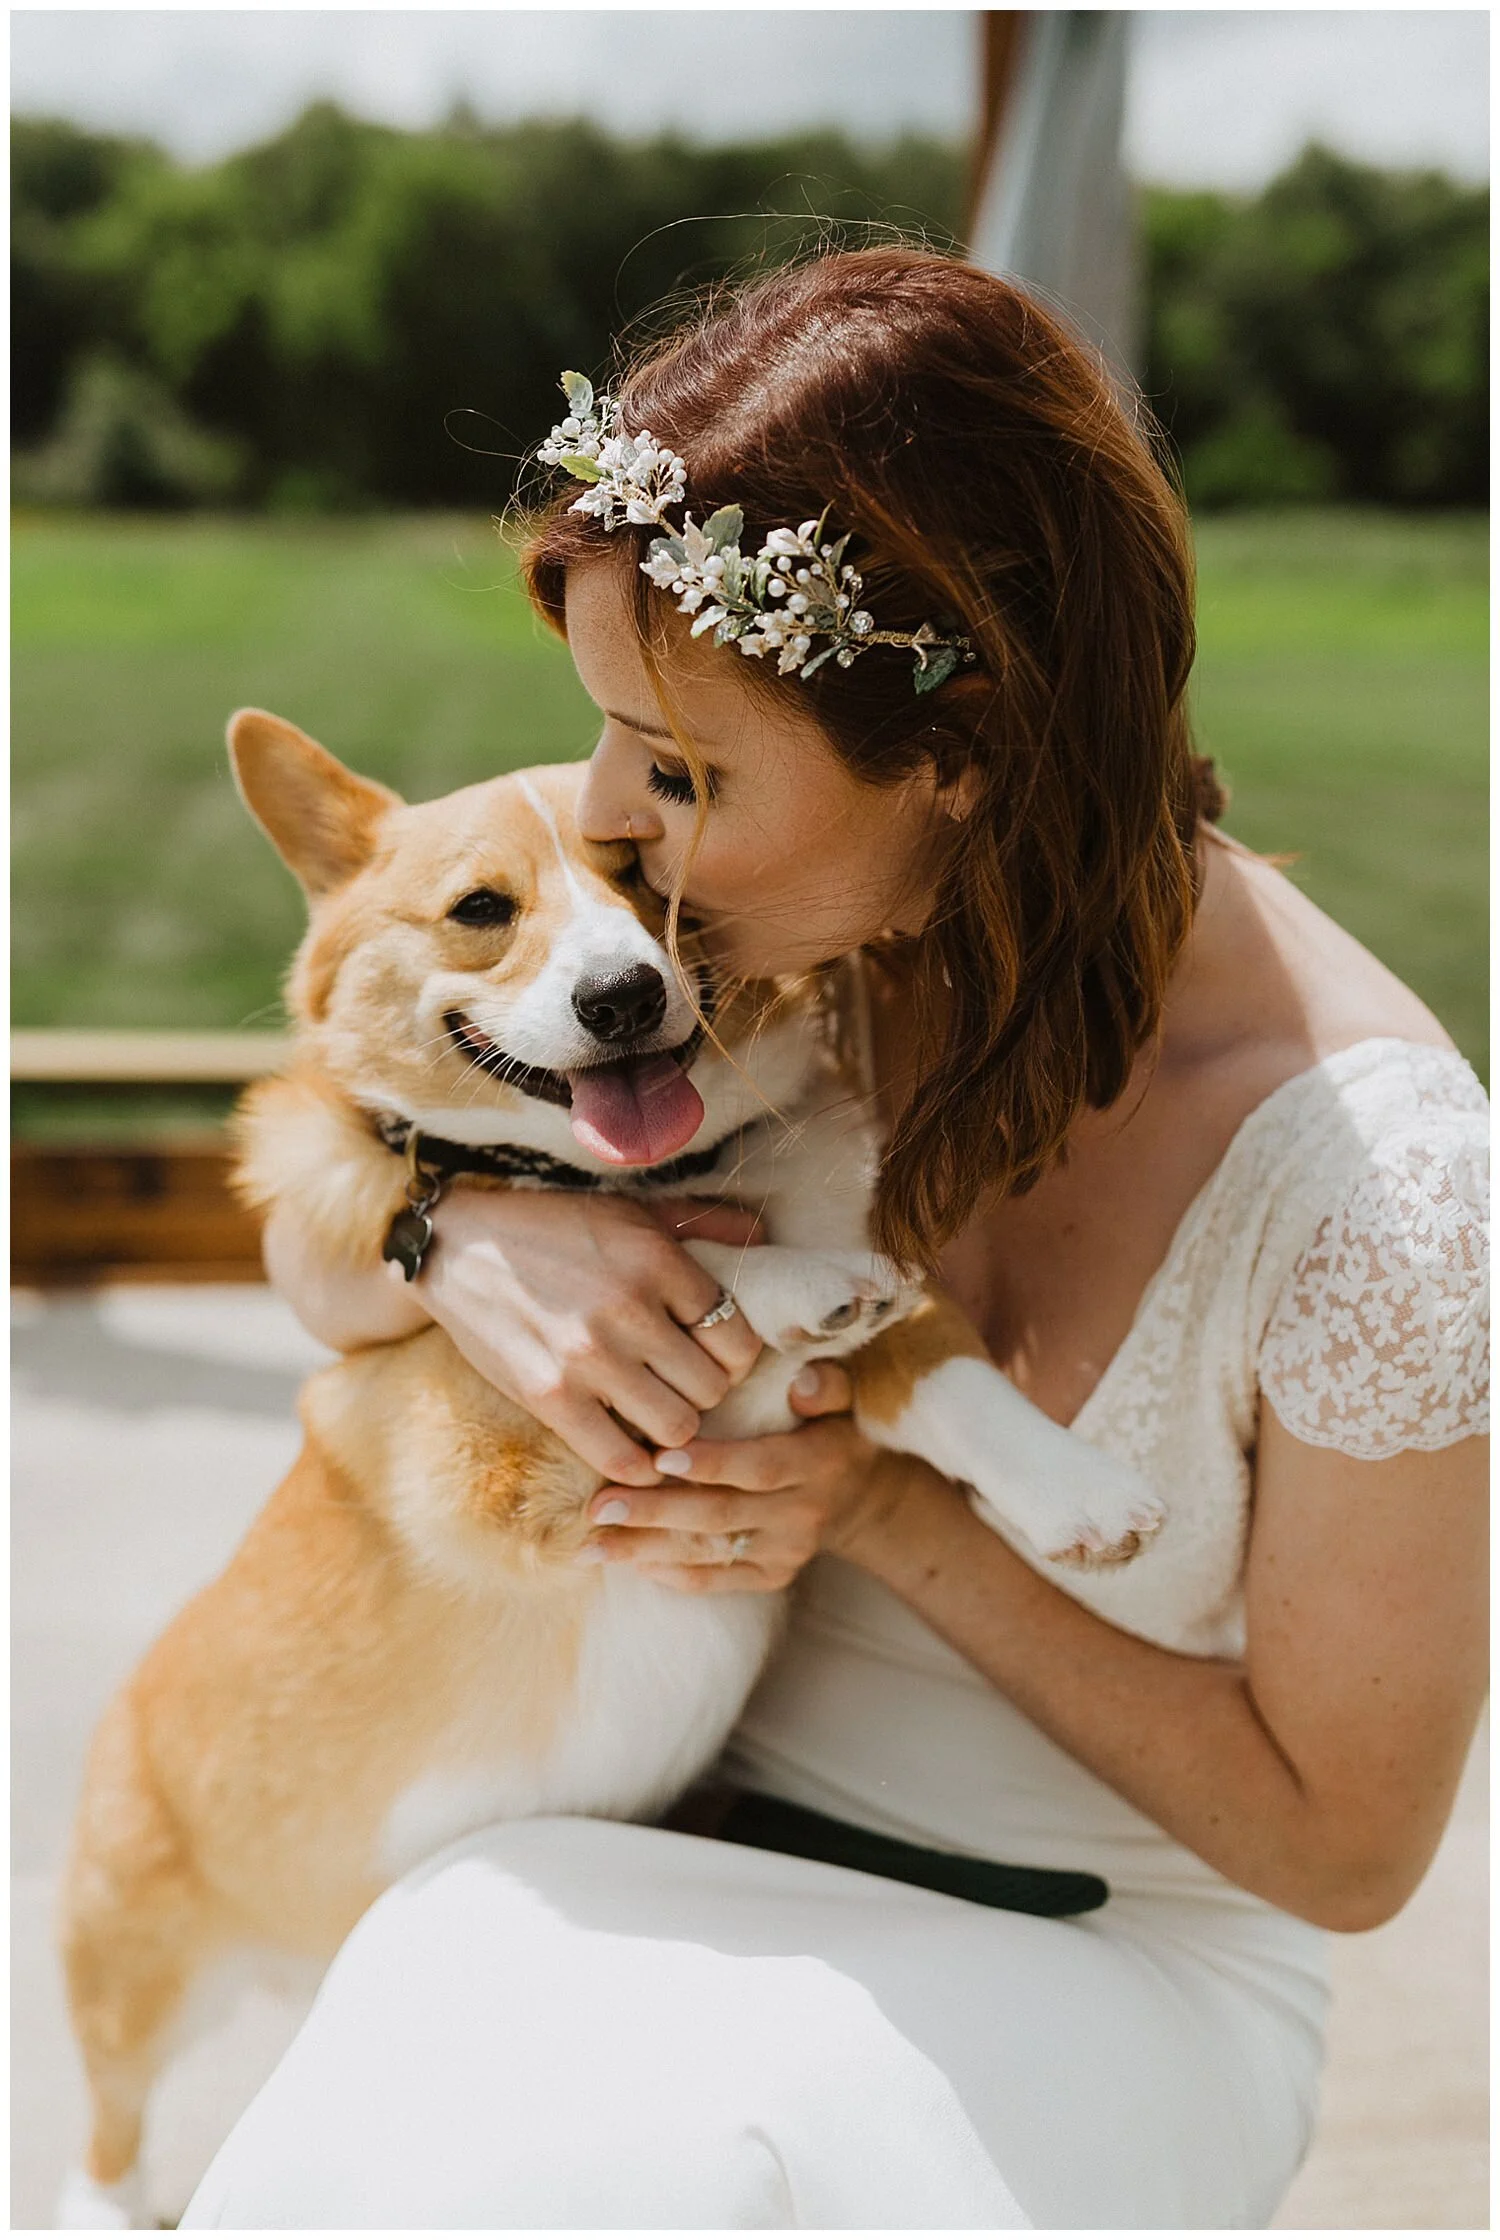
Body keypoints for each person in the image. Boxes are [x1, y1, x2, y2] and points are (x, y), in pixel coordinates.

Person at [182, 249, 1487, 2230]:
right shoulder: (768, 974)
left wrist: (881, 1510)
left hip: (1111, 1946)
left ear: (962, 754)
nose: (612, 824)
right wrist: (459, 1237)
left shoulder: (1390, 1190)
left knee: (705, 2168)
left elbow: (1347, 1848)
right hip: (669, 1848)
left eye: (680, 770)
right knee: (403, 2086)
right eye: (609, 735)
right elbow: (310, 1239)